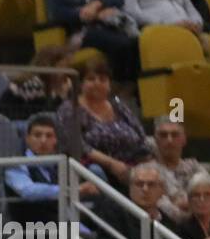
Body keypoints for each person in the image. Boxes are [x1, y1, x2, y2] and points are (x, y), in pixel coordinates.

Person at [56, 56, 151, 185]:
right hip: (94, 168)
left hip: (130, 167)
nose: (97, 83)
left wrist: (147, 164)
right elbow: (77, 146)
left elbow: (140, 137)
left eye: (103, 79)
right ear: (80, 84)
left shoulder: (119, 106)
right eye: (91, 79)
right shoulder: (70, 109)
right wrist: (112, 164)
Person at [0, 45, 74, 124]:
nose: (67, 72)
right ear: (50, 66)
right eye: (63, 67)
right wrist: (60, 97)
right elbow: (40, 119)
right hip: (8, 125)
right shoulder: (34, 84)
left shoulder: (54, 85)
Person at [151, 118, 207, 225]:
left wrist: (182, 202)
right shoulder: (146, 171)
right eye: (163, 135)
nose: (169, 140)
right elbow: (161, 208)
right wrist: (198, 204)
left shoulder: (194, 166)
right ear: (155, 139)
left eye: (175, 135)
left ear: (184, 139)